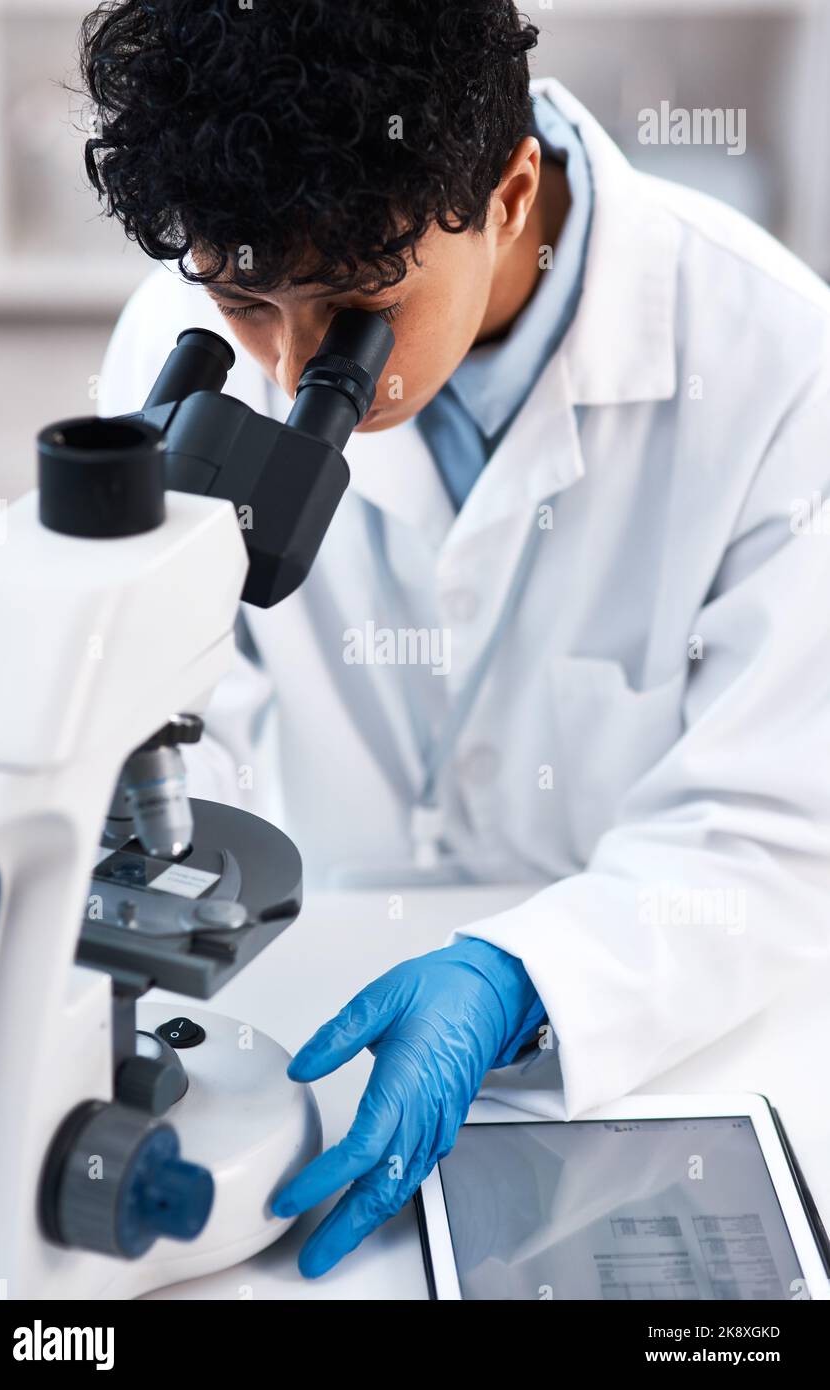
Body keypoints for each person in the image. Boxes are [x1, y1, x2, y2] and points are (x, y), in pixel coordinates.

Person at [86, 0, 830, 1278]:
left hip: (638, 1053)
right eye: (243, 300)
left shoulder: (773, 359)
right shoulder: (178, 347)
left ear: (507, 193)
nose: (286, 367)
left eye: (351, 314)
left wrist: (523, 976)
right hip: (295, 1017)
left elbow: (777, 822)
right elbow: (185, 731)